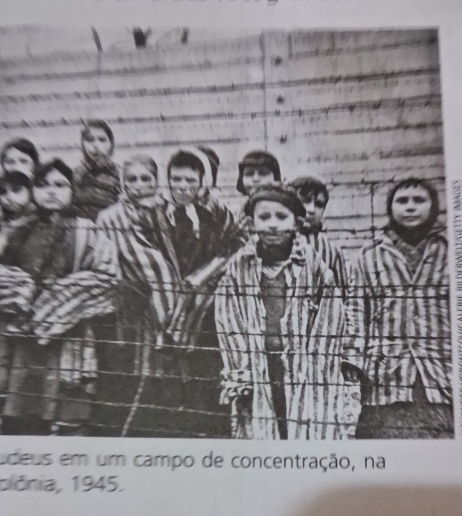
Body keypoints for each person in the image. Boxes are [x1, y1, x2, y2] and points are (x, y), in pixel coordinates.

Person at [0, 159, 119, 435]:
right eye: (43, 185)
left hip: (69, 337)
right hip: (21, 340)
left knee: (67, 417)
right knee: (20, 415)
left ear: (72, 190)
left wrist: (61, 300)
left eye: (60, 185)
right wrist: (18, 288)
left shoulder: (86, 231)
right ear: (33, 190)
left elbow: (108, 278)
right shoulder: (15, 232)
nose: (51, 192)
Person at [215, 183, 349, 440]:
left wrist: (317, 368)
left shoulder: (314, 267)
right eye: (264, 217)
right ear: (252, 224)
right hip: (258, 364)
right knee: (263, 426)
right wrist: (240, 371)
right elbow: (228, 320)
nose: (273, 225)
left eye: (281, 217)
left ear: (296, 223)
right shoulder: (240, 268)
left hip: (304, 367)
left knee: (303, 427)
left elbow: (330, 320)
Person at [135, 149, 239, 437]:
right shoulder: (151, 215)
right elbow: (143, 256)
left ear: (202, 182)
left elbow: (232, 251)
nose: (182, 187)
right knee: (164, 380)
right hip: (161, 310)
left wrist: (201, 282)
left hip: (201, 314)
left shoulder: (215, 215)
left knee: (199, 376)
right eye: (176, 180)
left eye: (190, 181)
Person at [343, 178, 453, 439]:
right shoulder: (369, 256)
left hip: (441, 374)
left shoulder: (450, 253)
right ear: (390, 208)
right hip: (385, 376)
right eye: (402, 201)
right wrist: (354, 358)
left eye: (419, 200)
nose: (410, 207)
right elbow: (357, 309)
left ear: (434, 207)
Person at [96, 155, 181, 436]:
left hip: (168, 294)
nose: (140, 185)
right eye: (132, 179)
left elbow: (173, 256)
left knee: (165, 363)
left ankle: (163, 421)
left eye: (146, 178)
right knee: (134, 366)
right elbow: (108, 257)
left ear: (156, 181)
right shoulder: (110, 217)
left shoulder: (168, 211)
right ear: (123, 183)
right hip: (131, 298)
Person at [0, 172, 36, 434]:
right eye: (4, 192)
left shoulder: (32, 223)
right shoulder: (0, 224)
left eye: (17, 191)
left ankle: (14, 407)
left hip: (20, 303)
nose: (9, 198)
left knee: (17, 356)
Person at [289, 176, 348, 298]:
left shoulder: (332, 251)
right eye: (304, 201)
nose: (311, 210)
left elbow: (342, 296)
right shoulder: (274, 241)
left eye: (319, 204)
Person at [72, 119, 121, 221]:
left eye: (102, 140)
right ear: (82, 144)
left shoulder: (119, 174)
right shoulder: (76, 175)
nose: (96, 145)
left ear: (110, 144)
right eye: (90, 140)